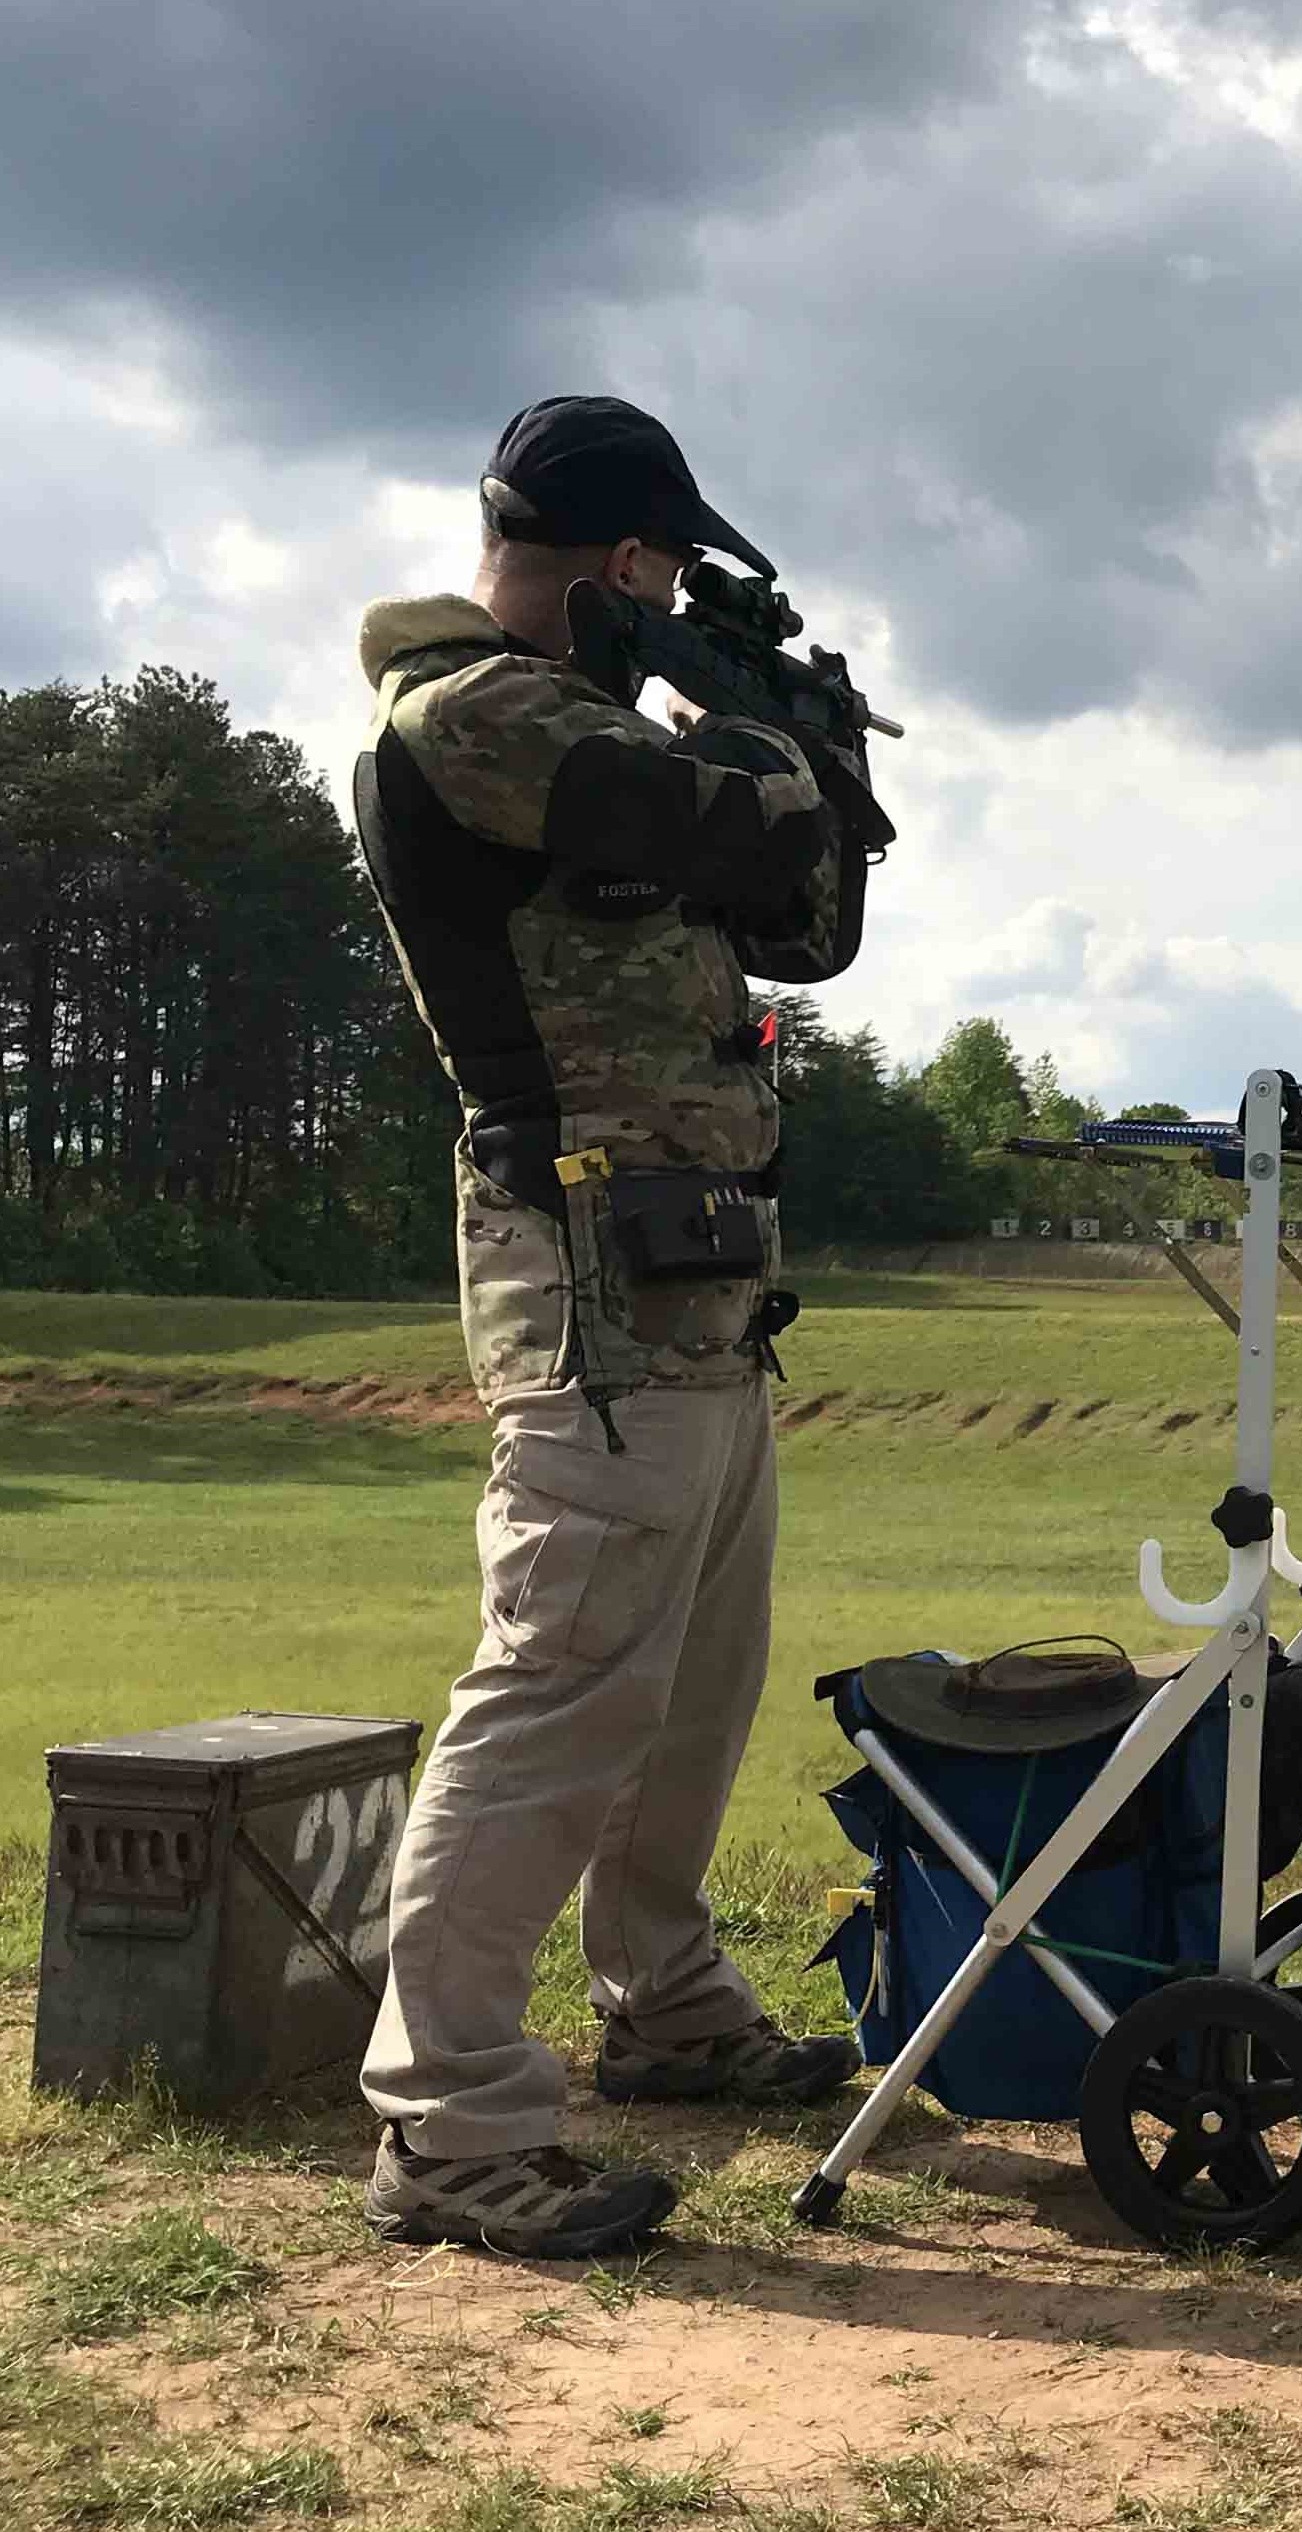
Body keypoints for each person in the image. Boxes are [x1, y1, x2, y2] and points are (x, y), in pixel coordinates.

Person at [350, 396, 891, 2257]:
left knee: (688, 1685)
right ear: (608, 565)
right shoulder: (475, 713)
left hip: (700, 1281)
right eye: (659, 571)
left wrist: (816, 774)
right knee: (561, 1683)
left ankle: (662, 2003)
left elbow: (802, 920)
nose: (668, 597)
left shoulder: (593, 721)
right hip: (588, 1276)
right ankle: (450, 2124)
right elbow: (696, 813)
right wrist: (764, 738)